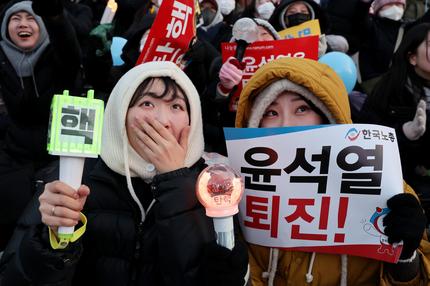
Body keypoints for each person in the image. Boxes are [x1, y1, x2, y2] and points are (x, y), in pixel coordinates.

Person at [0, 61, 248, 285]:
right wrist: (51, 238)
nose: (162, 120)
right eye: (147, 103)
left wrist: (176, 180)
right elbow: (15, 277)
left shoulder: (214, 186)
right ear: (120, 113)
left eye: (176, 106)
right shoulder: (75, 176)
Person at [234, 57, 429, 285]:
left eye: (302, 108)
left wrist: (406, 258)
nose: (285, 125)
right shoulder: (239, 192)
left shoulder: (388, 188)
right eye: (270, 113)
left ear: (326, 116)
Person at [0, 0, 81, 251]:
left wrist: (55, 17)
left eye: (31, 18)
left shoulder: (57, 55)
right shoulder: (2, 58)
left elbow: (71, 51)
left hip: (57, 157)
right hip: (14, 154)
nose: (23, 24)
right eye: (15, 19)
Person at [359, 23, 430, 222]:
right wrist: (404, 134)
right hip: (404, 195)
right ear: (412, 57)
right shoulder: (388, 90)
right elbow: (364, 146)